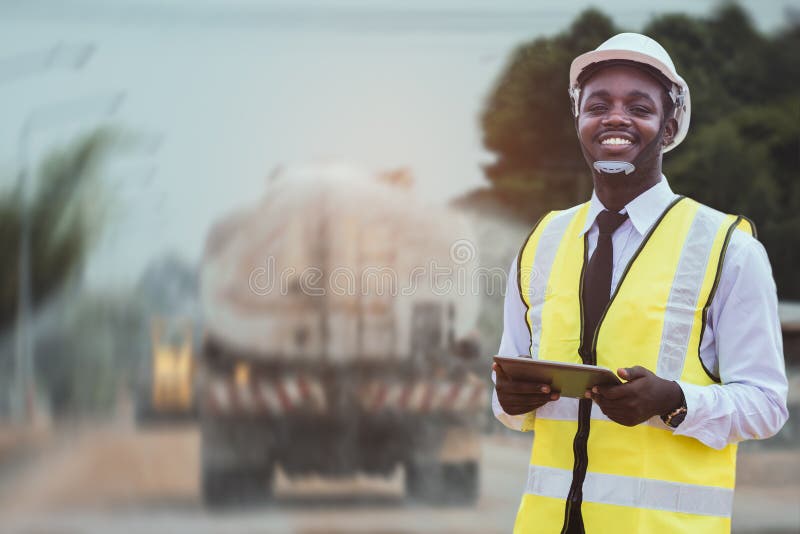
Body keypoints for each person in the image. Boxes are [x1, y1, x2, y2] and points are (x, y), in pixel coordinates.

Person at [492, 33, 788, 534]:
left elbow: (766, 404)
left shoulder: (727, 249)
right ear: (579, 120)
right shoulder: (541, 243)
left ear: (669, 125)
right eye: (598, 105)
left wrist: (675, 400)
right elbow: (505, 396)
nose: (615, 117)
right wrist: (508, 400)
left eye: (639, 106)